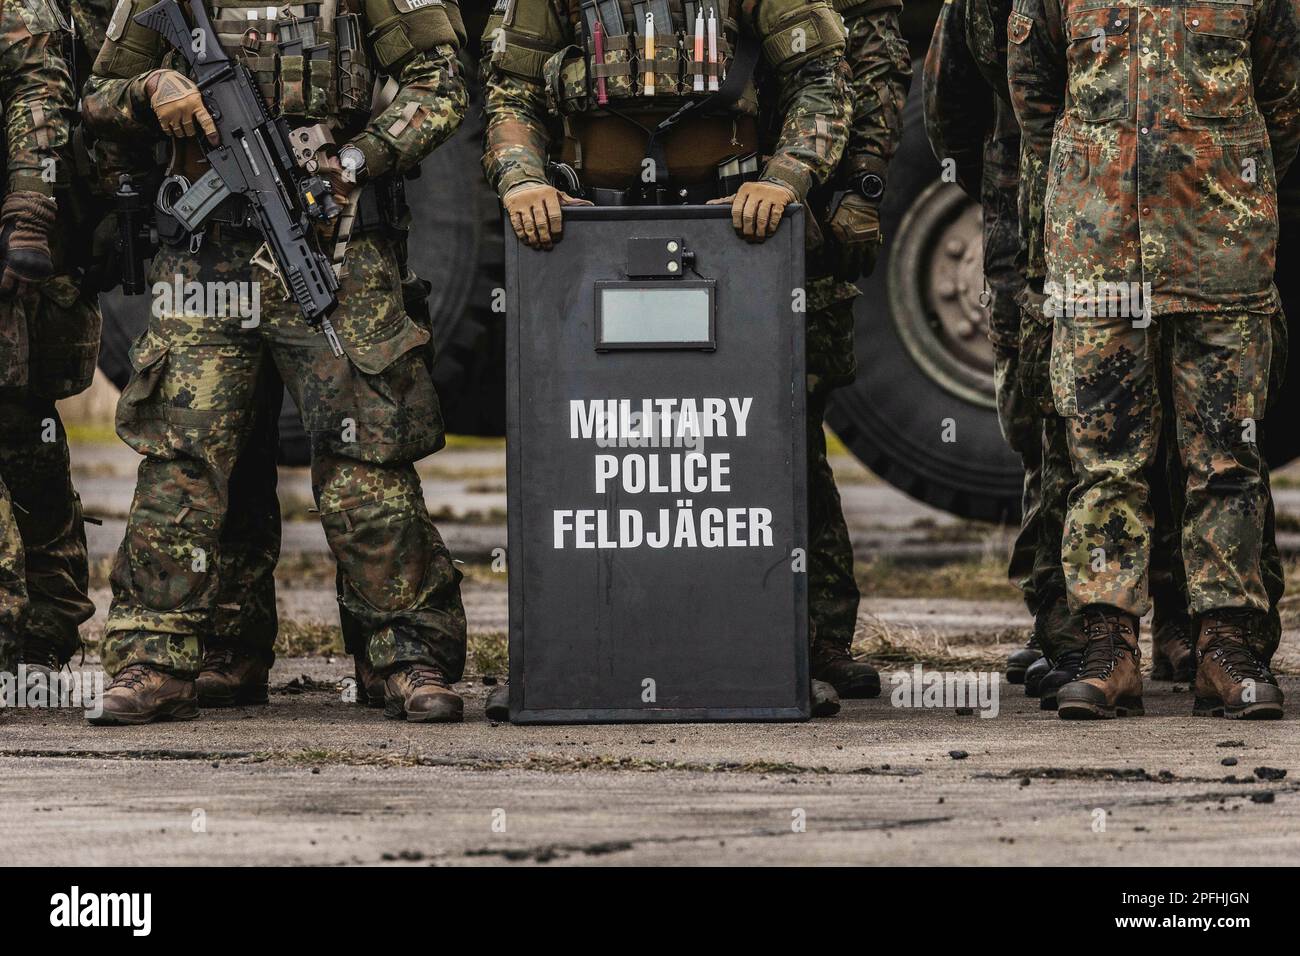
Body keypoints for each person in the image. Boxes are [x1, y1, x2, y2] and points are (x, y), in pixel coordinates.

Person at [481, 0, 903, 718]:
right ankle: (578, 648)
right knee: (589, 444)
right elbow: (510, 88)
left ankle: (803, 643)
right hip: (590, 232)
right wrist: (522, 178)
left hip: (736, 227)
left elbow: (820, 78)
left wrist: (788, 176)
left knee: (771, 442)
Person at [82, 0, 471, 725]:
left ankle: (406, 651)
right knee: (185, 457)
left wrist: (358, 156)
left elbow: (441, 83)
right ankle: (159, 655)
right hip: (205, 261)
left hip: (334, 242)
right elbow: (99, 96)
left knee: (368, 449)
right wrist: (149, 93)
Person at [1008, 0, 1299, 719]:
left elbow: (1286, 99)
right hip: (1098, 248)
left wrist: (1225, 183)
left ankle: (1226, 649)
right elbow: (1036, 100)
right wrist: (1096, 183)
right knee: (1103, 461)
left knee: (1227, 458)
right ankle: (1108, 649)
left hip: (1219, 253)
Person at [0, 0, 92, 688]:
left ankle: (39, 628)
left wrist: (27, 215)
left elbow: (40, 94)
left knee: (22, 426)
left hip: (20, 241)